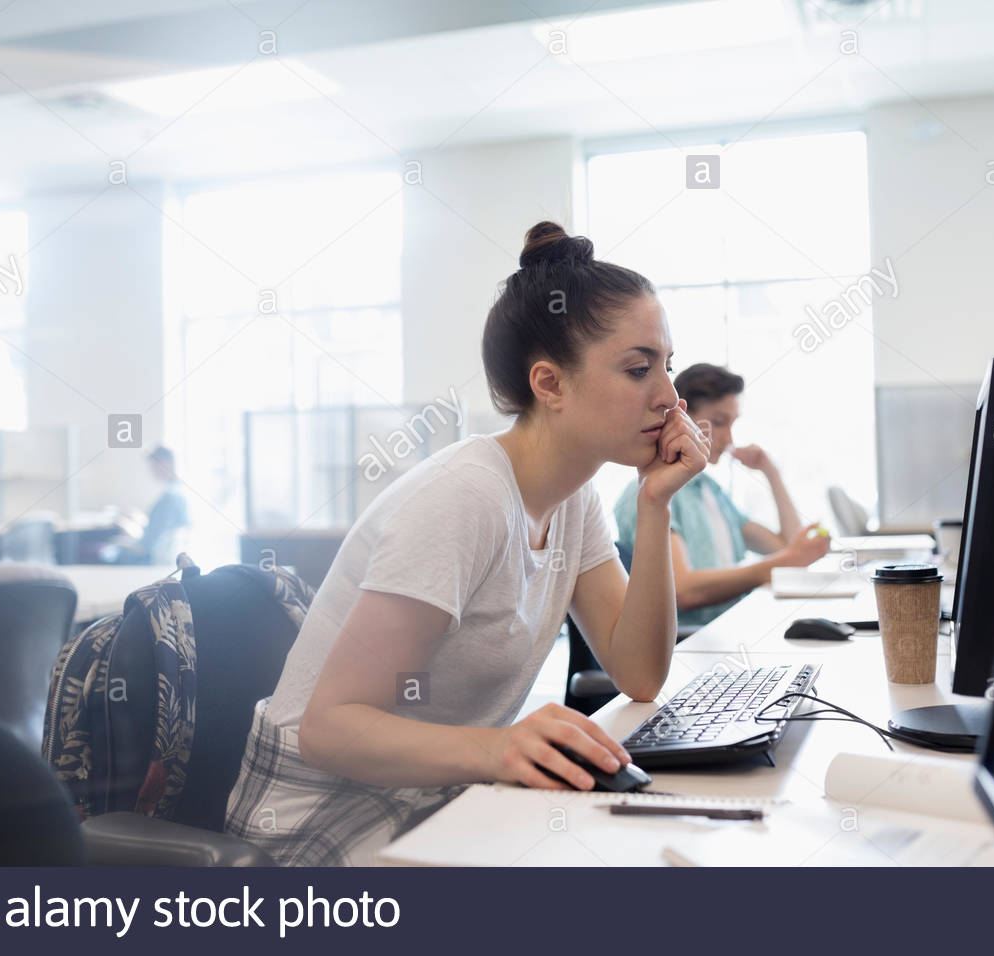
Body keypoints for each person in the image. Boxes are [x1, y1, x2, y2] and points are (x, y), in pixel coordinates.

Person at [224, 222, 711, 866]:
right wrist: (498, 746)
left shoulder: (576, 499)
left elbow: (641, 674)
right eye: (638, 369)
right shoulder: (466, 495)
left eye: (667, 367)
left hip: (441, 796)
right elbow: (330, 728)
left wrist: (656, 506)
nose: (669, 397)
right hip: (317, 817)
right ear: (550, 385)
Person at [614, 363, 830, 628]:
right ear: (680, 417)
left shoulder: (710, 491)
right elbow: (684, 589)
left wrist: (770, 472)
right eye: (719, 422)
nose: (728, 438)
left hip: (732, 628)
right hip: (694, 641)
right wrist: (783, 562)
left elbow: (788, 546)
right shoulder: (652, 494)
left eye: (732, 424)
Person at [100, 446, 189, 566]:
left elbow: (147, 545)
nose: (151, 471)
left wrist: (124, 542)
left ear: (164, 462)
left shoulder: (170, 497)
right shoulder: (176, 492)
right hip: (160, 555)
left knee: (106, 552)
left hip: (154, 560)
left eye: (152, 465)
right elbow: (157, 530)